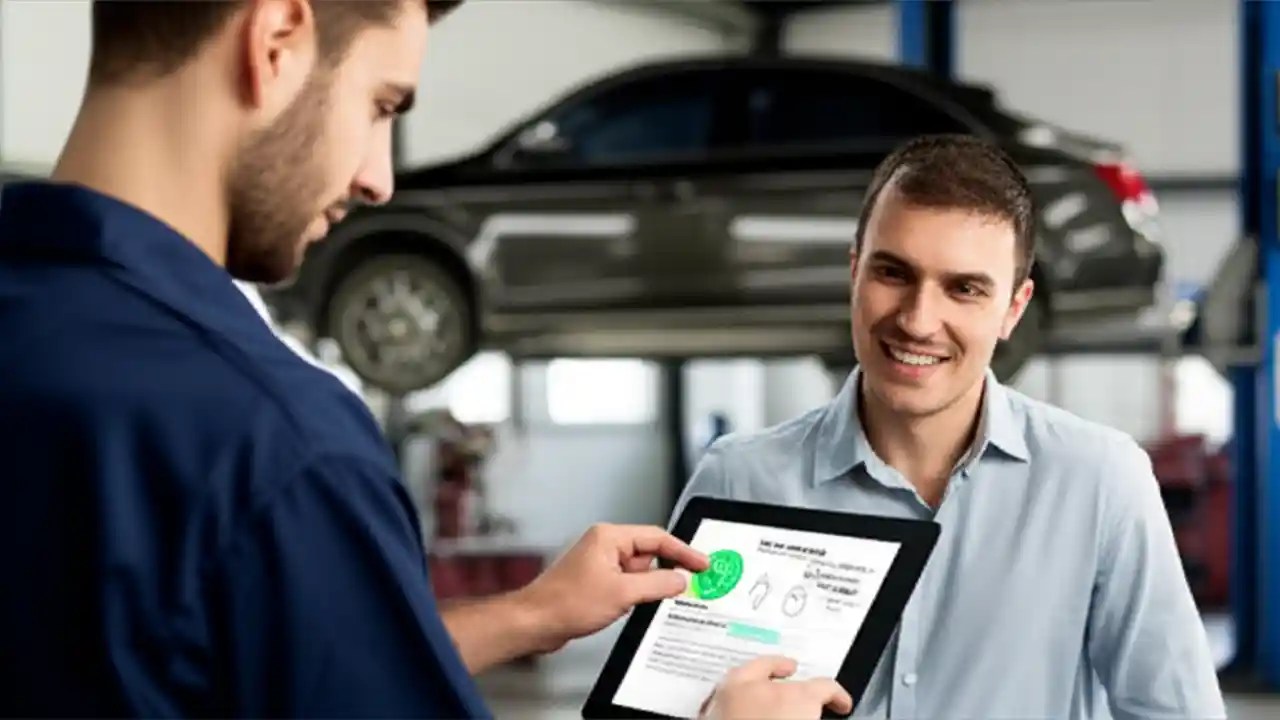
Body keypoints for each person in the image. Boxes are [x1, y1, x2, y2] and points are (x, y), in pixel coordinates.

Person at [0, 1, 854, 718]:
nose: (379, 180)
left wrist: (530, 615)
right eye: (382, 105)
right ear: (276, 41)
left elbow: (228, 659)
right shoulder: (277, 445)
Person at [673, 135, 1228, 720]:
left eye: (964, 289)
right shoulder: (740, 479)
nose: (918, 321)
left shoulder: (1099, 481)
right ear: (855, 272)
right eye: (894, 273)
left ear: (1014, 309)